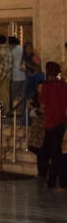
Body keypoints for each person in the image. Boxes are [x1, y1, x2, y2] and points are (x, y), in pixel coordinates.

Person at [37, 62, 67, 190]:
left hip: (50, 123)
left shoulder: (46, 86)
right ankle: (51, 180)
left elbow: (43, 106)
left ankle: (62, 182)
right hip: (61, 122)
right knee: (53, 151)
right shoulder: (64, 86)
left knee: (55, 154)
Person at [8, 35, 24, 114]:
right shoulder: (22, 49)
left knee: (12, 94)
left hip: (16, 76)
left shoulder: (13, 51)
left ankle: (11, 110)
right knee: (21, 94)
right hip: (23, 76)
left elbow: (10, 63)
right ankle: (21, 110)